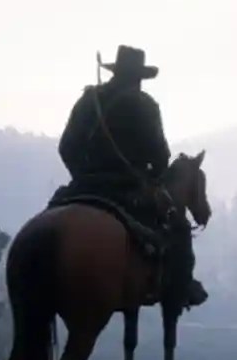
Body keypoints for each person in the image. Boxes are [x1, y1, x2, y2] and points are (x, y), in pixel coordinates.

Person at [57, 45, 208, 307]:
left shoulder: (88, 100)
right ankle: (181, 288)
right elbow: (160, 157)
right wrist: (149, 177)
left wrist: (82, 175)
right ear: (138, 76)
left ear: (116, 72)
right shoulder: (144, 104)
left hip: (82, 186)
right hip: (127, 188)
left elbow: (66, 147)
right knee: (180, 229)